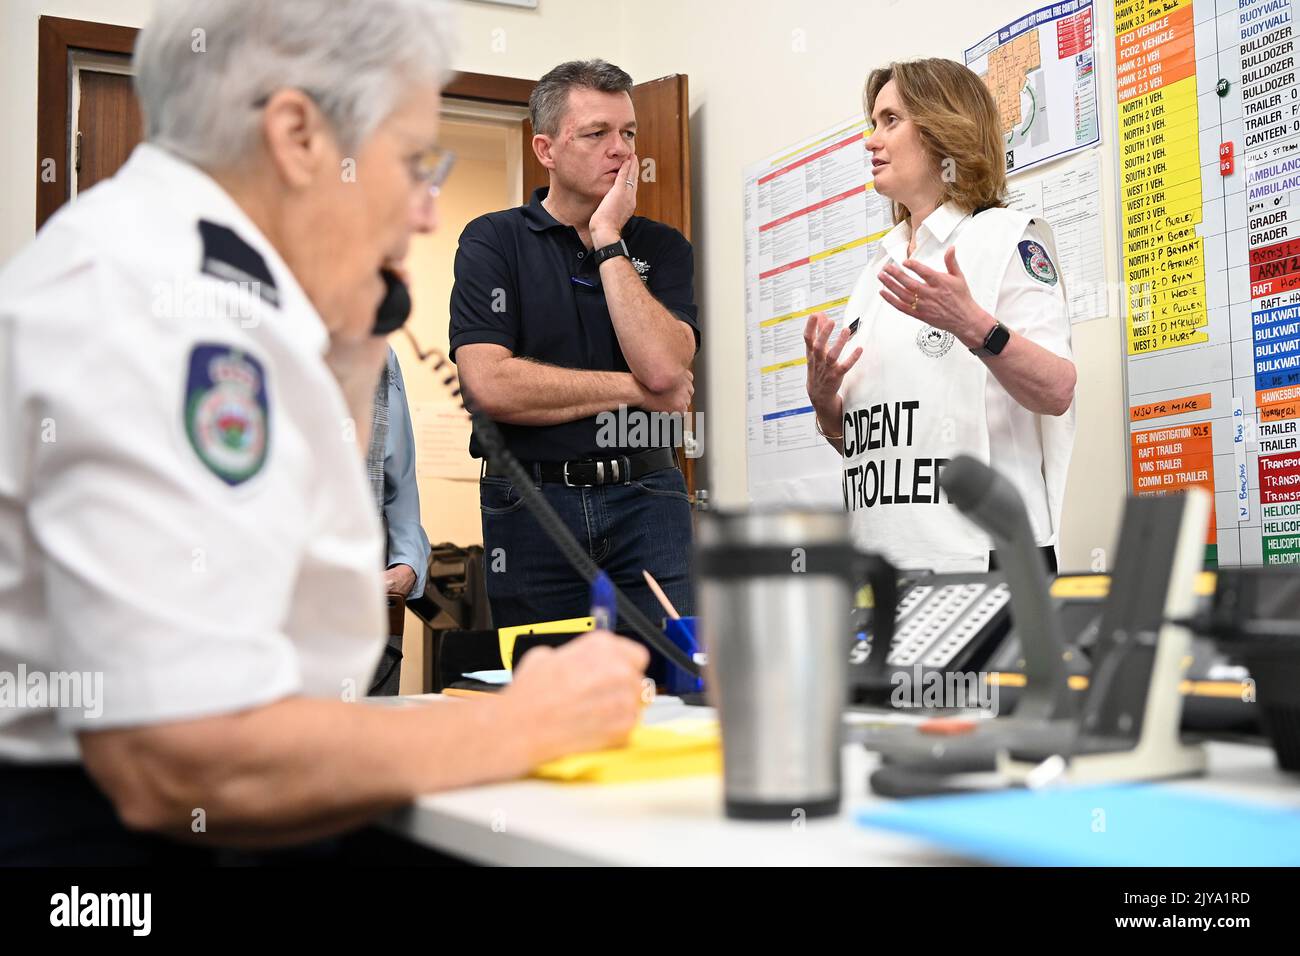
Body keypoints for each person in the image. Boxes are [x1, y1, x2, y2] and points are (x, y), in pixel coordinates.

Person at [0, 0, 647, 865]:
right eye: (413, 161)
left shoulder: (205, 282)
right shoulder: (170, 310)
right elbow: (184, 758)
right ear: (300, 136)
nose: (424, 212)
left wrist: (346, 349)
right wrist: (523, 723)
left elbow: (304, 629)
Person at [449, 59, 699, 681]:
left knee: (673, 683)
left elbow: (668, 364)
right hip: (532, 502)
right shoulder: (492, 242)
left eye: (630, 133)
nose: (621, 151)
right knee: (551, 691)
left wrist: (609, 238)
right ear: (546, 149)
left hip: (649, 496)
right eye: (596, 134)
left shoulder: (663, 248)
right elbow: (491, 384)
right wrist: (636, 390)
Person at [803, 58, 1077, 573]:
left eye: (890, 121)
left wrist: (973, 326)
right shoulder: (874, 274)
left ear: (942, 129)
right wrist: (825, 404)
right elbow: (871, 446)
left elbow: (1057, 390)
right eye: (873, 122)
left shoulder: (1006, 237)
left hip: (988, 561)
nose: (871, 140)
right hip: (885, 564)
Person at [367, 346, 432, 695]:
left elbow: (400, 479)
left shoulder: (380, 353)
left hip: (372, 575)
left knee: (371, 733)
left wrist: (407, 563)